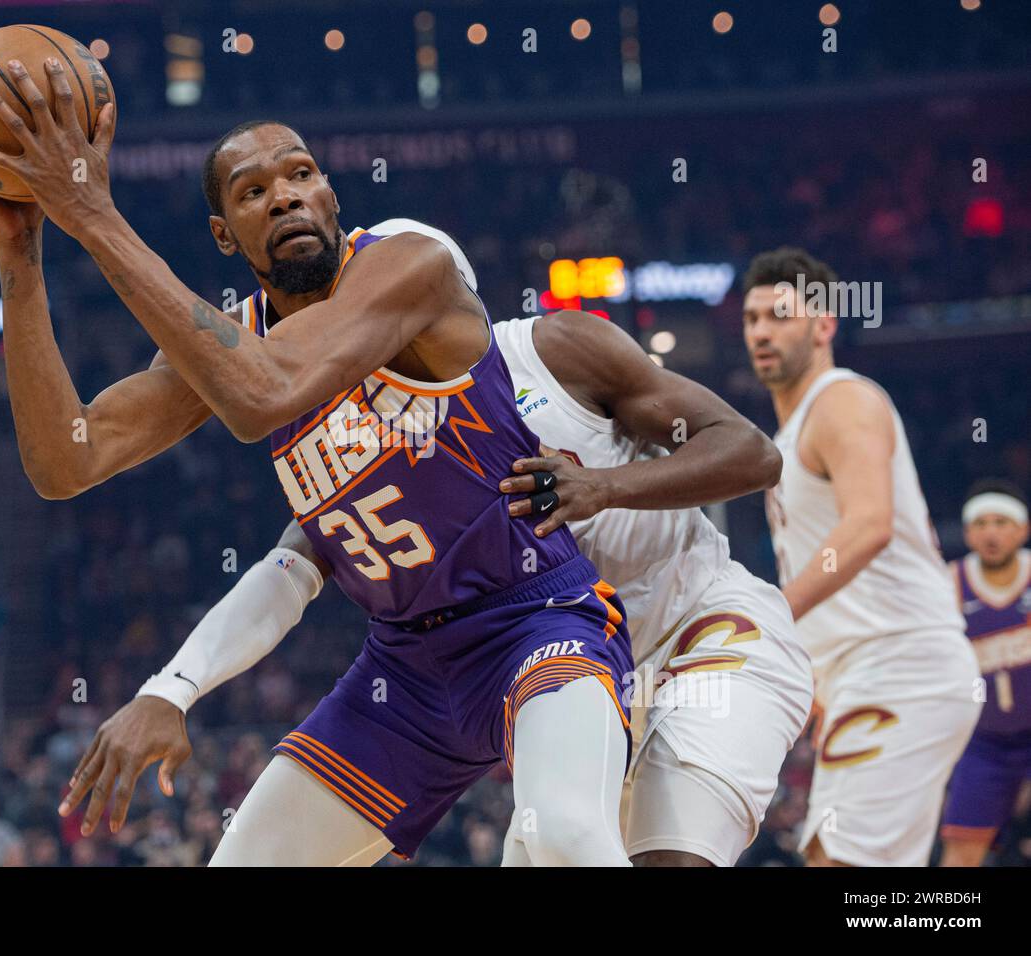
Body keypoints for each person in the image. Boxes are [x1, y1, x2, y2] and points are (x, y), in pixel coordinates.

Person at [0, 71, 634, 865]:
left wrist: (92, 215)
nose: (284, 196)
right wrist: (20, 253)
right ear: (224, 234)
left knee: (566, 839)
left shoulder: (413, 266)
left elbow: (263, 398)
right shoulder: (228, 346)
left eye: (301, 173)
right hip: (404, 670)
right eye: (252, 189)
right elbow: (66, 458)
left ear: (332, 195)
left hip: (535, 623)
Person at [87, 221, 810, 867]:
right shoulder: (372, 423)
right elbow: (291, 562)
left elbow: (752, 453)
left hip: (697, 632)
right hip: (579, 685)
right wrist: (172, 687)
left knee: (658, 854)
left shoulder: (554, 348)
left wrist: (604, 486)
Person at [742, 245, 981, 866]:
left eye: (781, 314)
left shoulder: (842, 400)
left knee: (840, 866)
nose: (762, 331)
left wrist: (775, 609)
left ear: (824, 325)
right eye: (752, 318)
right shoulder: (784, 437)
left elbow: (869, 524)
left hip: (901, 663)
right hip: (866, 672)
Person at [939, 480, 1031, 866]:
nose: (991, 531)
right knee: (962, 850)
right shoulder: (948, 583)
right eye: (981, 523)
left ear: (1022, 530)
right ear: (968, 533)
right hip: (982, 742)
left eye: (1001, 521)